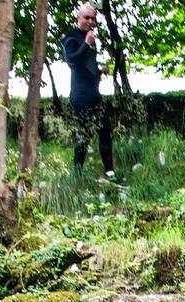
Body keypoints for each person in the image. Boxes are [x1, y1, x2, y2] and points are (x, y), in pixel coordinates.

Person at [61, 4, 115, 178]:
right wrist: (86, 44)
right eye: (87, 18)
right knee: (84, 134)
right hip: (80, 95)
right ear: (78, 17)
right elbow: (72, 61)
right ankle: (76, 173)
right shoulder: (71, 37)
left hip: (94, 94)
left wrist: (101, 71)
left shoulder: (90, 37)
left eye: (93, 19)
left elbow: (87, 67)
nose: (90, 22)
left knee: (105, 129)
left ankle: (109, 171)